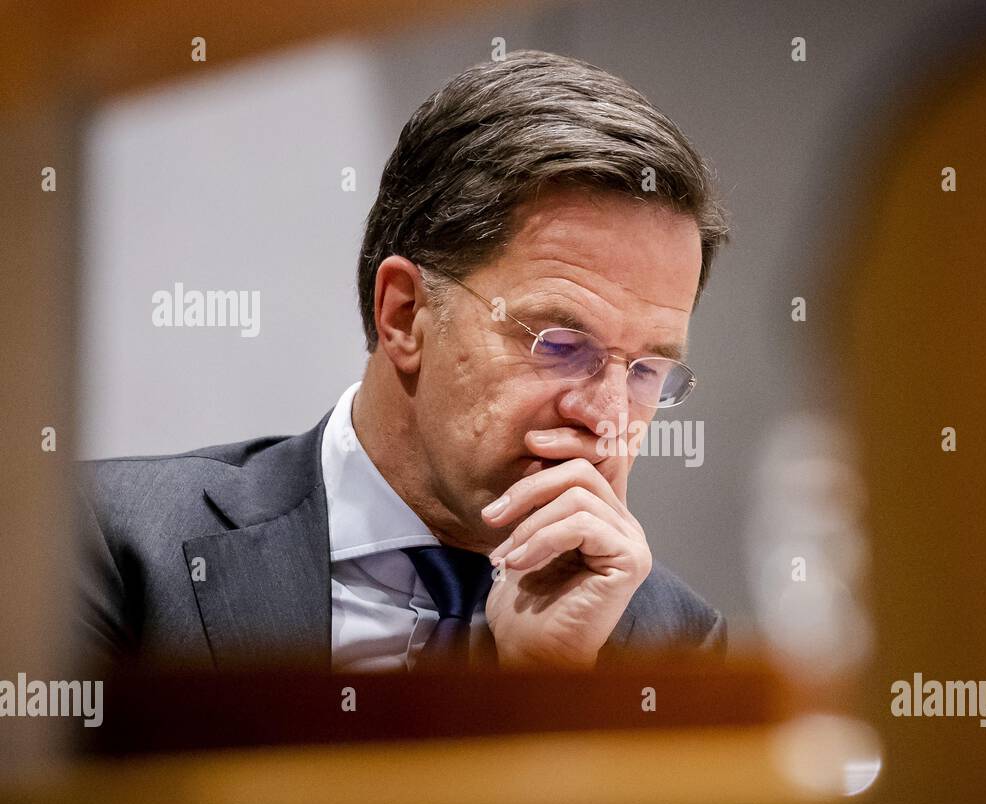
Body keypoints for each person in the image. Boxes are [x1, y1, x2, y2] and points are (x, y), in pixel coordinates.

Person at [76, 50, 730, 672]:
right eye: (559, 344)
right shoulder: (107, 540)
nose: (607, 418)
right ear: (404, 314)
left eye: (646, 371)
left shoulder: (674, 646)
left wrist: (541, 686)